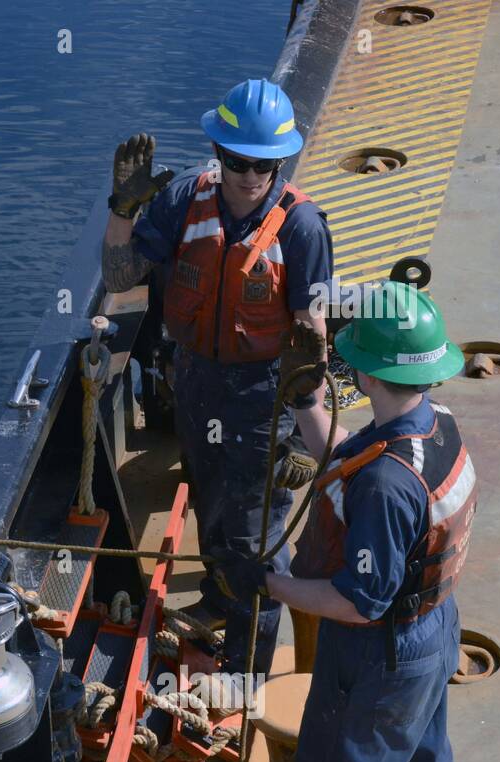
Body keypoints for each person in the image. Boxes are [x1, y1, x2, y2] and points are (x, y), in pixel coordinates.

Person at [214, 282, 475, 762]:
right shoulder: (436, 427)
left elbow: (361, 603)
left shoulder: (386, 486)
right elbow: (344, 457)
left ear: (368, 374)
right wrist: (307, 398)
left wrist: (267, 583)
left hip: (375, 657)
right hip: (432, 640)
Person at [102, 78, 333, 678]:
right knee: (211, 501)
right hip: (197, 380)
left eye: (265, 164)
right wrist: (123, 211)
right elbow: (123, 273)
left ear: (280, 162)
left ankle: (247, 666)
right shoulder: (185, 199)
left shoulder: (302, 229)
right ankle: (218, 596)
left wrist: (301, 433)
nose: (250, 175)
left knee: (257, 534)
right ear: (218, 153)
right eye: (237, 160)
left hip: (263, 396)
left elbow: (310, 336)